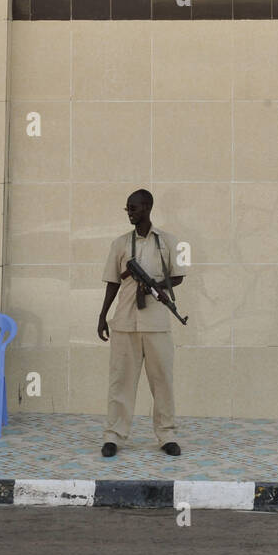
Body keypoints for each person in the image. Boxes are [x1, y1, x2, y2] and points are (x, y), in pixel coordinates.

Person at [97, 189, 186, 457]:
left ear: (147, 207)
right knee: (120, 382)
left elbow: (178, 277)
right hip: (124, 322)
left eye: (133, 208)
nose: (130, 213)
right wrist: (102, 316)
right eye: (128, 209)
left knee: (162, 382)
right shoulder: (120, 243)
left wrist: (154, 286)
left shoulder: (167, 242)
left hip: (157, 323)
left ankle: (166, 434)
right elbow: (113, 281)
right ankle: (114, 435)